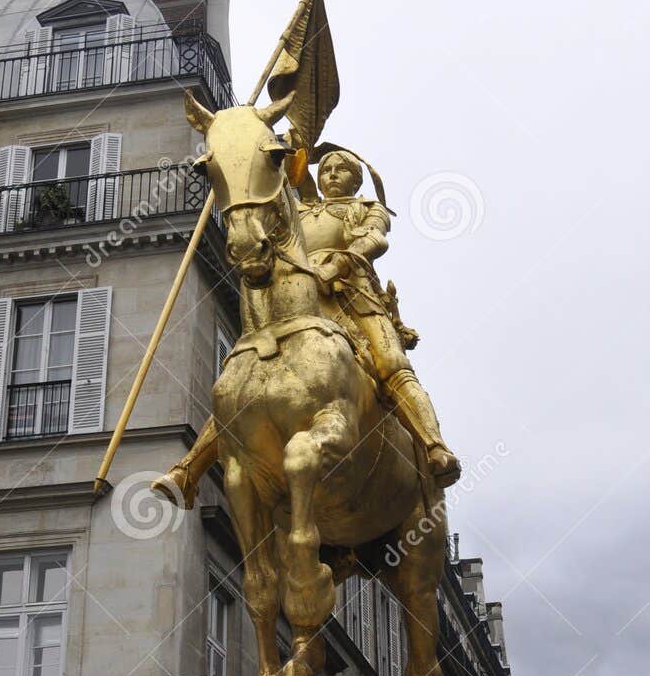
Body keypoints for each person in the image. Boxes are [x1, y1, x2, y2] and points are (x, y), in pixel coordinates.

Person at [158, 148, 460, 507]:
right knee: (245, 378)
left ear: (355, 179)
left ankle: (433, 446)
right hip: (296, 298)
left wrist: (337, 264)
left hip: (351, 295)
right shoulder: (299, 211)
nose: (331, 174)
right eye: (327, 169)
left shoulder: (365, 208)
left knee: (392, 365)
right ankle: (189, 469)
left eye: (341, 170)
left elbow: (374, 240)